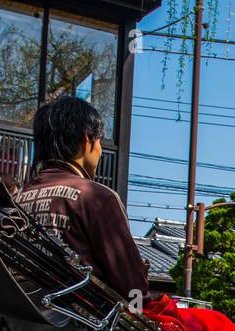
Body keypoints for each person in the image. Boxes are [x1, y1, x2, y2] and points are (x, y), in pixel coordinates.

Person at [12, 95, 149, 301]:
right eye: (100, 141)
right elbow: (131, 286)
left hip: (21, 317)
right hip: (81, 320)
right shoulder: (97, 198)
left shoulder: (15, 200)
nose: (101, 151)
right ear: (87, 140)